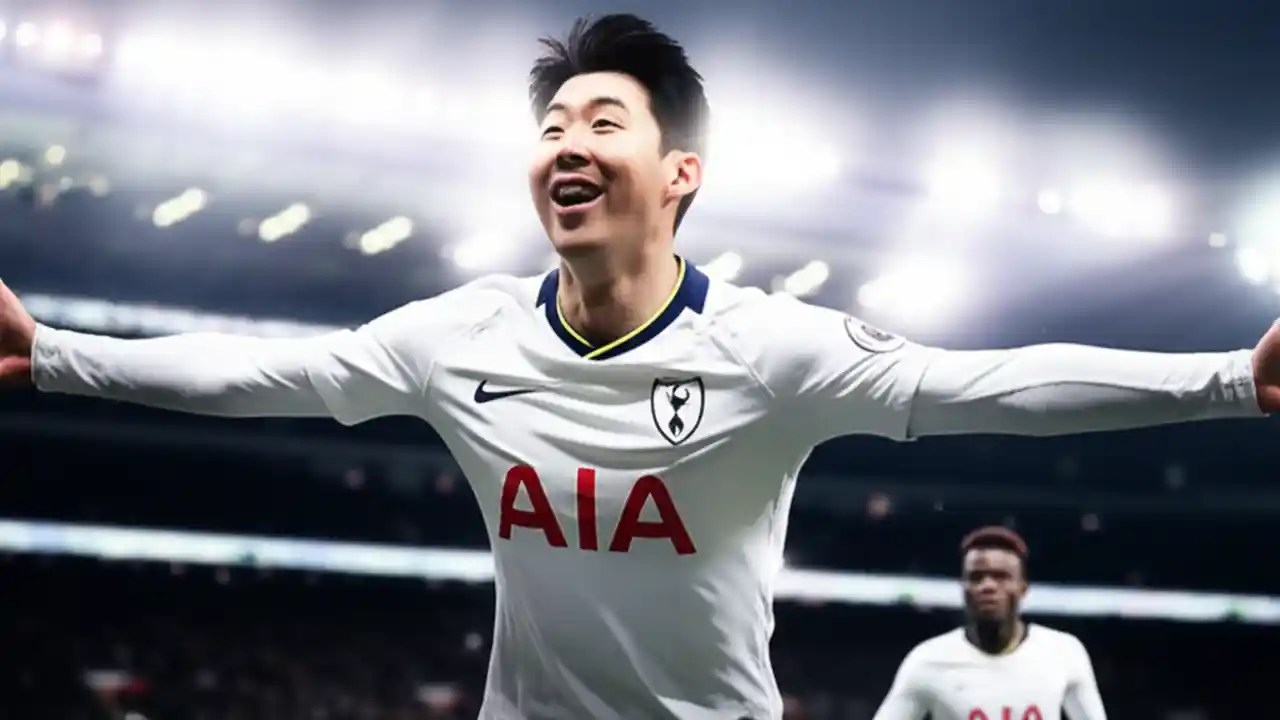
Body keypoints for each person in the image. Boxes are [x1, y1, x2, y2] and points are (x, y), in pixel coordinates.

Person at [0, 12, 1275, 720]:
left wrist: (1229, 380)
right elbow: (272, 378)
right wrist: (52, 353)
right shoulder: (467, 336)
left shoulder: (767, 349)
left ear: (680, 174)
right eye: (550, 124)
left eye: (602, 121)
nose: (566, 142)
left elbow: (982, 387)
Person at [872, 527, 1106, 720]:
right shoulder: (927, 661)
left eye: (1001, 576)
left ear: (1023, 588)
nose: (988, 586)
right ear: (963, 589)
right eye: (976, 577)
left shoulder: (1064, 653)